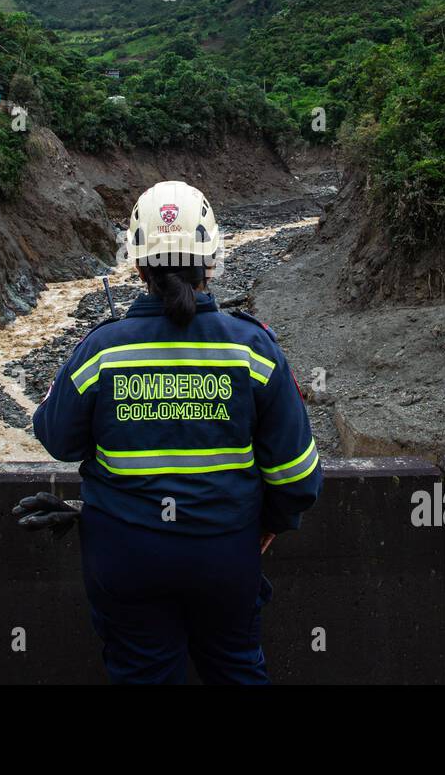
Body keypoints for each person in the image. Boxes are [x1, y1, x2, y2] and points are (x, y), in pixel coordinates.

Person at [31, 180, 322, 684]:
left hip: (124, 557)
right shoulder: (254, 349)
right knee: (236, 670)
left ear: (138, 264)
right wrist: (270, 523)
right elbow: (297, 476)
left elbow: (58, 439)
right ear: (211, 259)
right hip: (226, 553)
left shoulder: (102, 350)